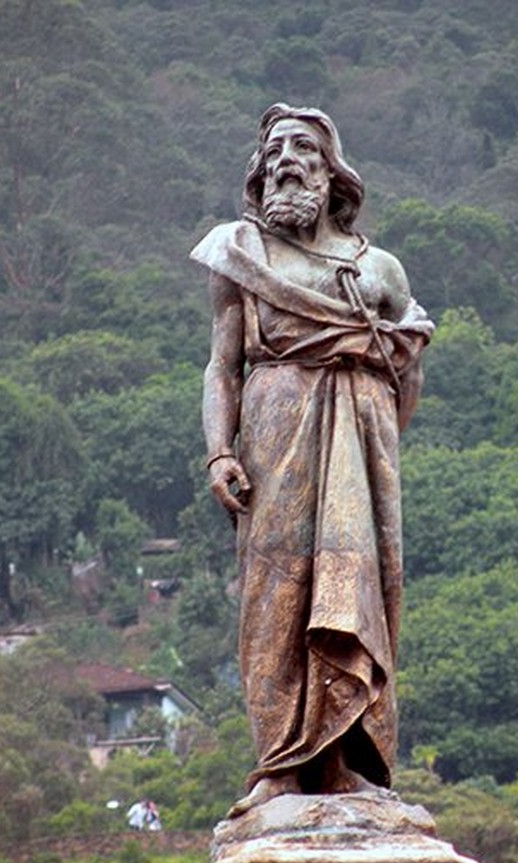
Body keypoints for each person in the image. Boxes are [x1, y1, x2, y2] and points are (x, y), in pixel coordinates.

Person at [190, 103, 432, 816]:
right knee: (276, 596)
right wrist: (217, 452)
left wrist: (378, 442)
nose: (285, 159)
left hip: (359, 447)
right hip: (271, 431)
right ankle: (278, 767)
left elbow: (407, 364)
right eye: (274, 150)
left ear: (333, 174)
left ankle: (341, 766)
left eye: (303, 148)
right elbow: (221, 365)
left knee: (351, 593)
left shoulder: (377, 267)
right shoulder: (239, 253)